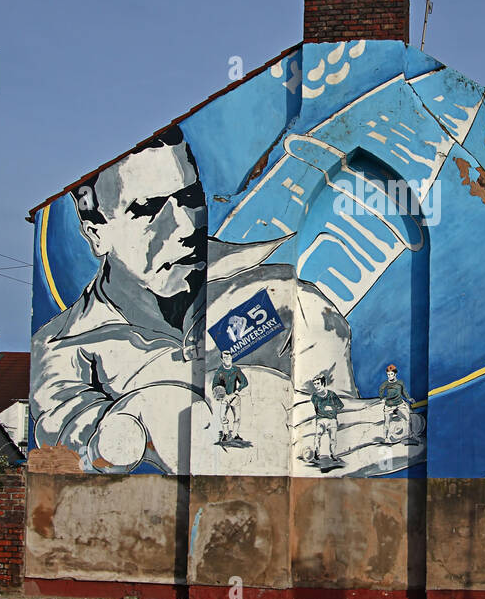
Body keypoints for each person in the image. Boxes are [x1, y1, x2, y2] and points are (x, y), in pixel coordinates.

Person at [31, 125, 358, 474]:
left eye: (190, 199)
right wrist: (145, 417)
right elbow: (75, 445)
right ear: (97, 233)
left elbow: (338, 443)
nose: (186, 227)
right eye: (148, 210)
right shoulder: (62, 350)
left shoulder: (284, 300)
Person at [211, 349, 248, 445]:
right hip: (224, 398)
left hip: (235, 397)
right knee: (222, 416)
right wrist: (223, 396)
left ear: (232, 357)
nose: (227, 359)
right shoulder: (219, 372)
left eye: (229, 357)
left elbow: (244, 382)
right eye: (225, 357)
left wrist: (237, 391)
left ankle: (235, 434)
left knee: (237, 417)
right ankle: (226, 434)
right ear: (222, 359)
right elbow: (215, 386)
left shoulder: (236, 370)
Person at [309, 373, 344, 462]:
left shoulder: (332, 395)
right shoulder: (314, 397)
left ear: (323, 383)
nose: (316, 386)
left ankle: (333, 454)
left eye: (318, 383)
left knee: (333, 439)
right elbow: (316, 407)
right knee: (317, 436)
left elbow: (340, 406)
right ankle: (317, 453)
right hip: (321, 419)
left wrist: (332, 408)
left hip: (332, 419)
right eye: (315, 384)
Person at [377, 364, 413, 444]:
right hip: (389, 406)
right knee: (387, 422)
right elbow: (381, 390)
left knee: (408, 418)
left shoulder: (400, 383)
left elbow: (404, 392)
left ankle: (409, 435)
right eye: (388, 374)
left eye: (391, 374)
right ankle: (386, 438)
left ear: (395, 374)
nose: (389, 376)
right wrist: (381, 397)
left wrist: (409, 398)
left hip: (399, 404)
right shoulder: (386, 383)